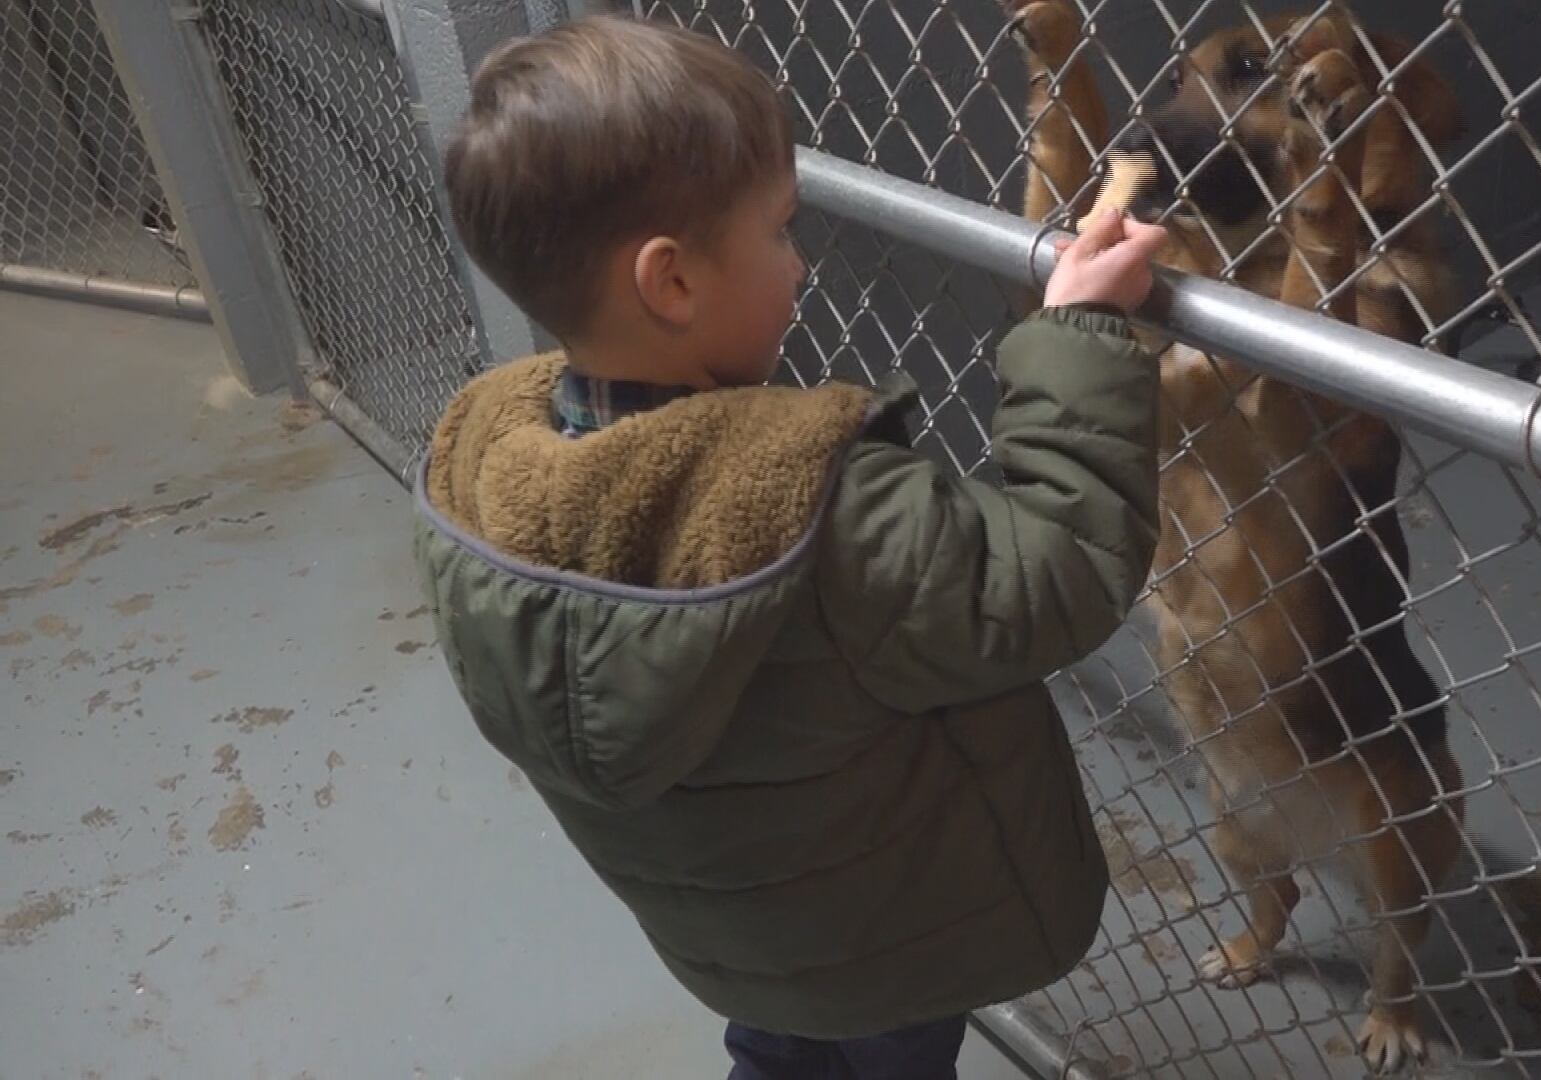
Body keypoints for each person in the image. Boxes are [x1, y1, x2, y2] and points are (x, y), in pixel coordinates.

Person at [414, 15, 1168, 1079]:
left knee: (778, 1045)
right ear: (670, 282)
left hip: (737, 935)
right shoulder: (821, 511)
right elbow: (1057, 574)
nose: (801, 263)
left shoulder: (483, 475)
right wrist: (1080, 335)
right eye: (778, 231)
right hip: (884, 935)